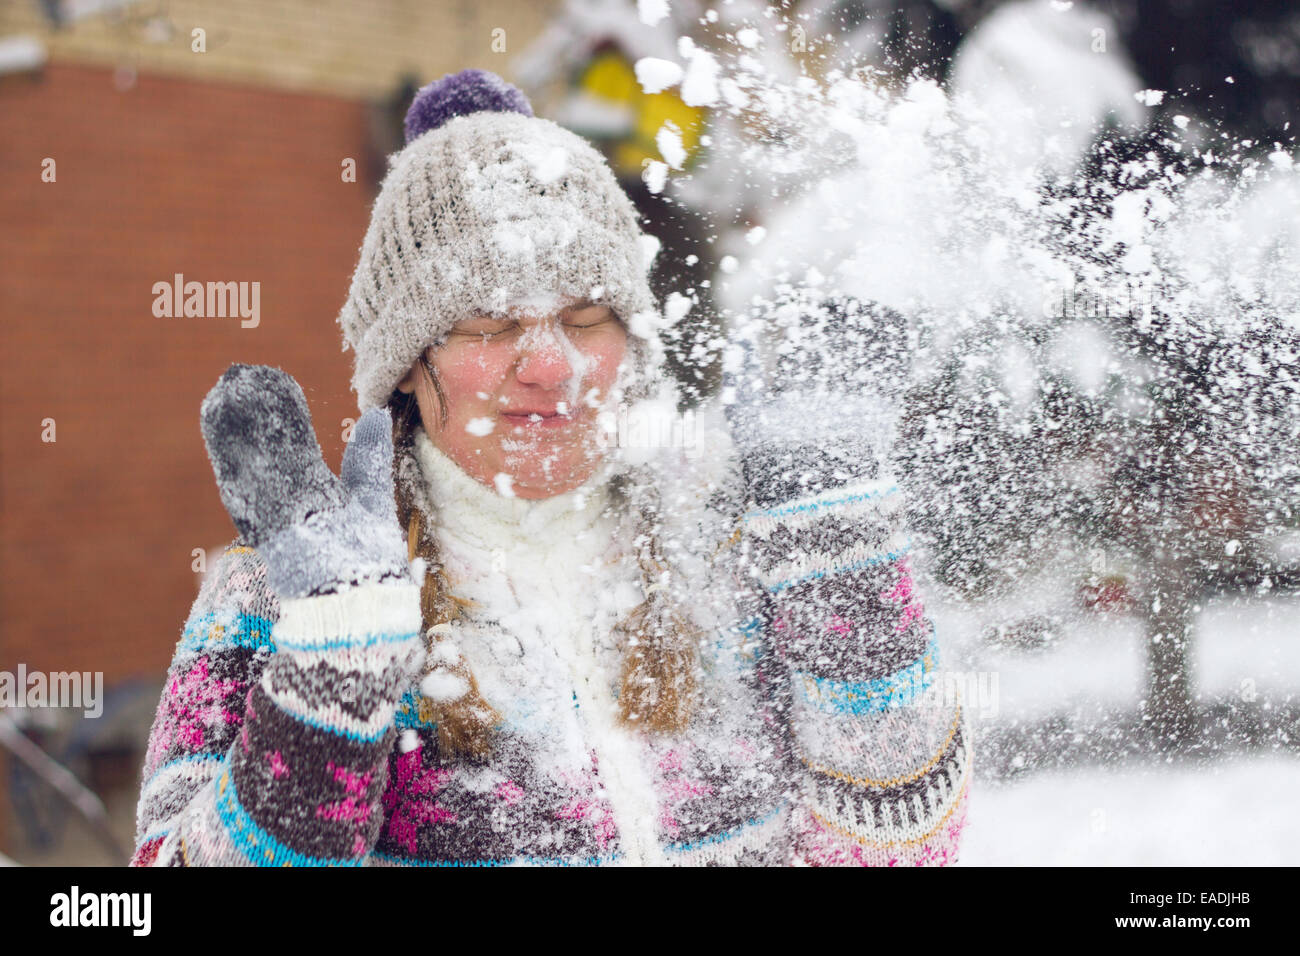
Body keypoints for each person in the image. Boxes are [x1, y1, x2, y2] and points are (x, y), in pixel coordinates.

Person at [130, 69, 972, 867]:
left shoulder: (734, 542)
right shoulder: (288, 592)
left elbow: (901, 853)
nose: (552, 366)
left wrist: (850, 575)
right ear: (405, 362)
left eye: (587, 315)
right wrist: (327, 688)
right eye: (491, 323)